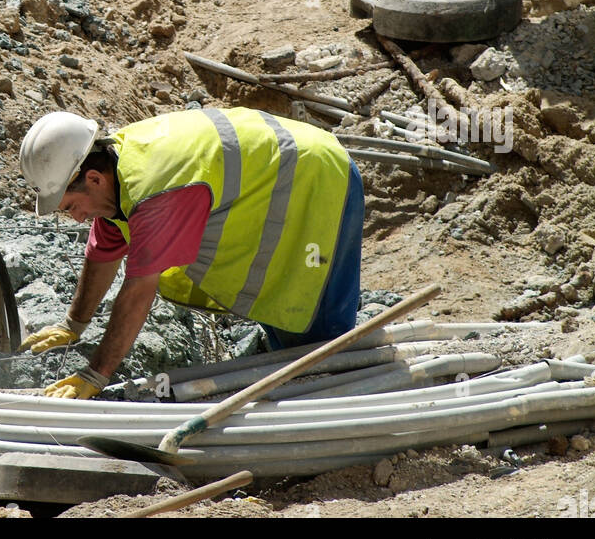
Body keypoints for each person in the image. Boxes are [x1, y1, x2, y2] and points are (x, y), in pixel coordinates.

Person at [18, 106, 364, 398]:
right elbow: (104, 250)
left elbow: (138, 291)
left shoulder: (156, 189)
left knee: (319, 326)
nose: (77, 217)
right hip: (280, 182)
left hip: (319, 181)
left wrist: (96, 375)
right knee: (283, 308)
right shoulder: (116, 171)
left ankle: (344, 404)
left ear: (93, 179)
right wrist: (73, 324)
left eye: (71, 206)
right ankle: (296, 382)